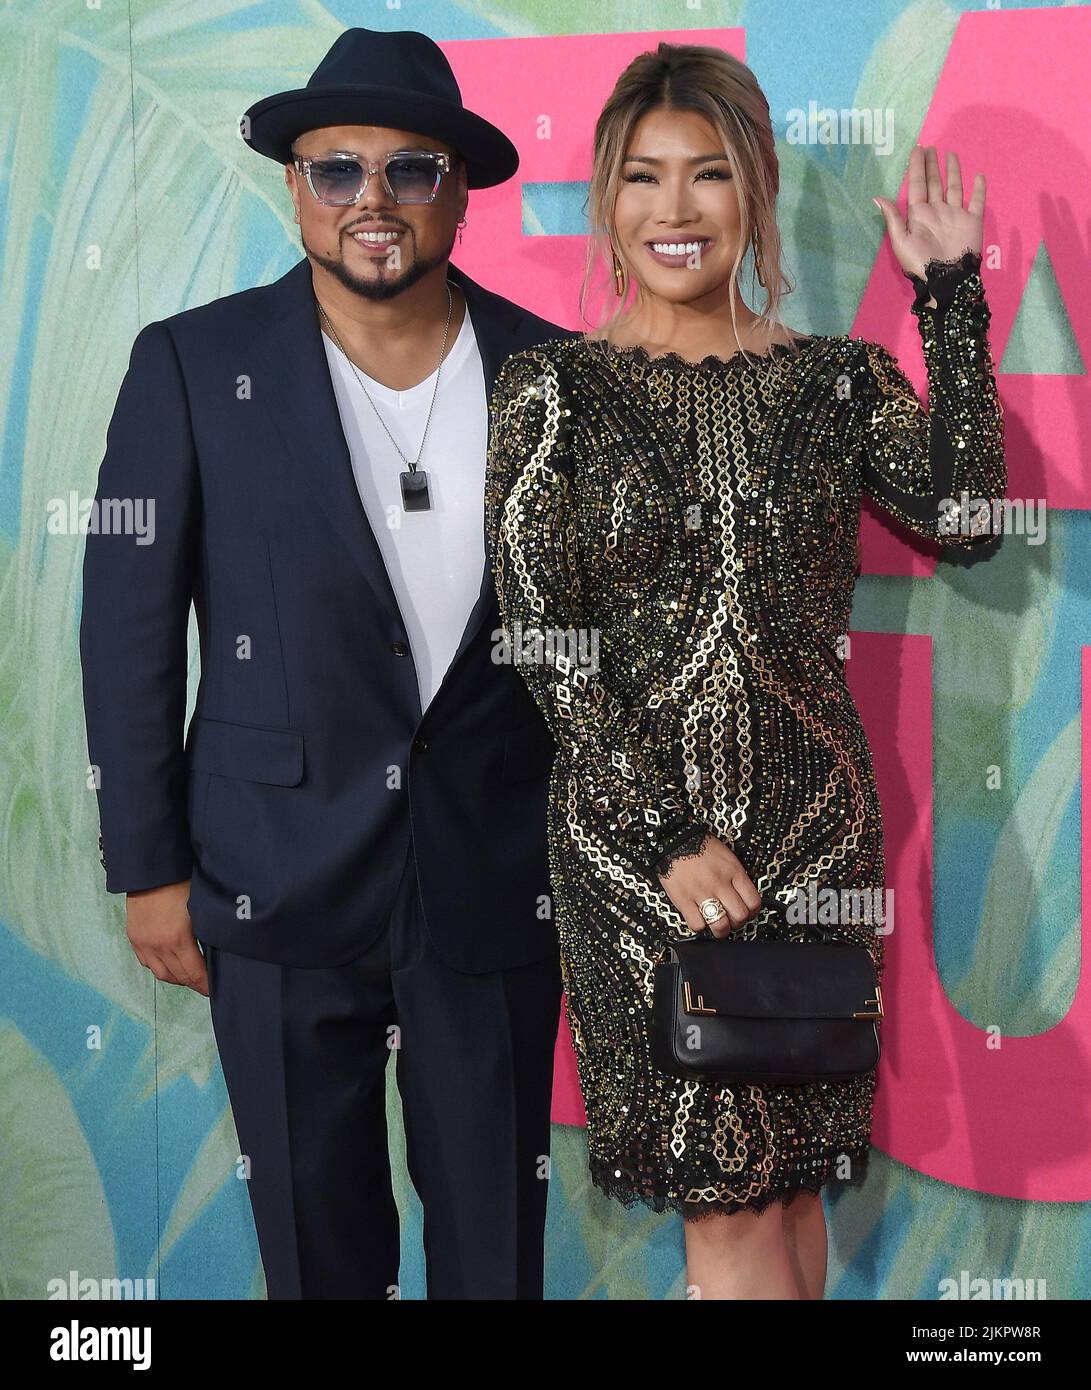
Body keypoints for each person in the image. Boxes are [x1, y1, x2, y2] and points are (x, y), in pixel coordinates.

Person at [484, 42, 1006, 1300]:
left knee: (784, 1200)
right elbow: (542, 639)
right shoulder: (552, 390)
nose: (674, 211)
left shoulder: (835, 384)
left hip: (811, 842)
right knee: (723, 1210)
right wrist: (662, 835)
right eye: (643, 179)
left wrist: (947, 297)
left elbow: (969, 514)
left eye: (707, 176)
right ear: (607, 201)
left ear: (755, 190)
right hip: (636, 859)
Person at [79, 26, 577, 1300]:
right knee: (315, 1259)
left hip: (491, 877)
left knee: (491, 1264)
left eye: (408, 170)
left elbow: (606, 643)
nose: (371, 200)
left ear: (458, 188)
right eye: (334, 168)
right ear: (291, 183)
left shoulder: (557, 376)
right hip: (274, 879)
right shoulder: (192, 365)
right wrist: (147, 867)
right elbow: (129, 631)